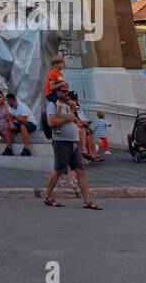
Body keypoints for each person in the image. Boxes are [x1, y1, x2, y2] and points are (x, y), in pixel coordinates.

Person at [42, 81, 102, 210]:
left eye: (67, 91)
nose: (66, 93)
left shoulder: (67, 105)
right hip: (61, 141)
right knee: (58, 170)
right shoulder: (53, 104)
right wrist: (67, 119)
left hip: (73, 142)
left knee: (81, 171)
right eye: (63, 91)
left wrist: (77, 122)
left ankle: (87, 200)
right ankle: (48, 195)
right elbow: (51, 121)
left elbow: (73, 118)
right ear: (57, 91)